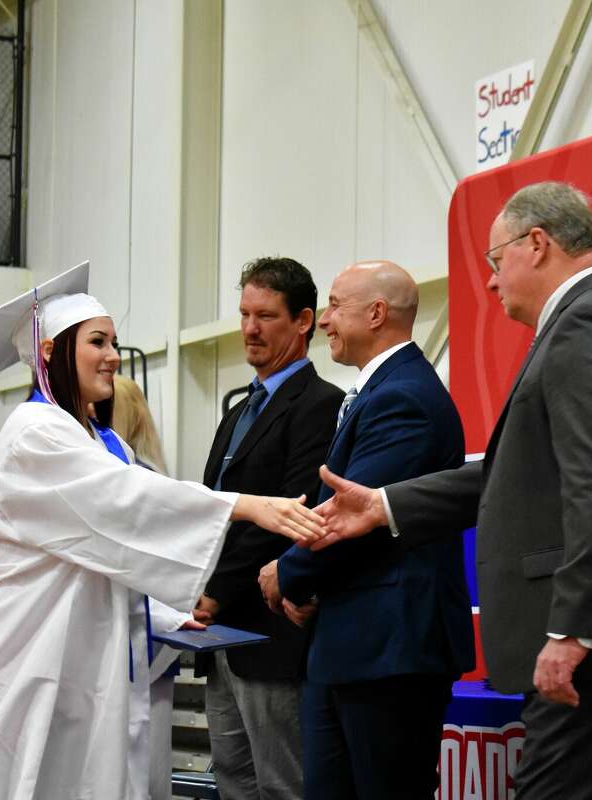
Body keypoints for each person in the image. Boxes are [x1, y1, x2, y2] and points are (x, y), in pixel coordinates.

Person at [310, 183, 592, 799]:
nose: (490, 283)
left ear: (537, 244)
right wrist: (386, 505)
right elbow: (513, 477)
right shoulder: (582, 325)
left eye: (495, 262)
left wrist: (573, 630)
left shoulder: (588, 324)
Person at [0, 262, 324, 800]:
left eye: (114, 341)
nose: (114, 356)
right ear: (49, 352)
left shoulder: (99, 439)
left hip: (89, 657)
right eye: (98, 342)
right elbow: (130, 504)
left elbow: (115, 552)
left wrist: (169, 614)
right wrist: (244, 505)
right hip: (32, 650)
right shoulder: (35, 435)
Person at [257, 261, 475, 800]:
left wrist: (287, 572)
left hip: (389, 649)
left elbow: (357, 518)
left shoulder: (406, 399)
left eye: (335, 305)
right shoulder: (380, 393)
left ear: (376, 313)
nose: (324, 319)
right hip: (355, 644)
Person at [194, 257, 344, 800]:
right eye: (243, 314)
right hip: (221, 636)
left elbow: (285, 513)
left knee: (283, 785)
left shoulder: (322, 405)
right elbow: (215, 512)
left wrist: (213, 592)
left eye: (265, 316)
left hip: (271, 633)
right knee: (234, 782)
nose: (250, 330)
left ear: (304, 321)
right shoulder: (237, 411)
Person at [109, 374, 174, 800]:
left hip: (144, 638)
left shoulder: (136, 479)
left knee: (141, 769)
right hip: (143, 638)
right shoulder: (142, 474)